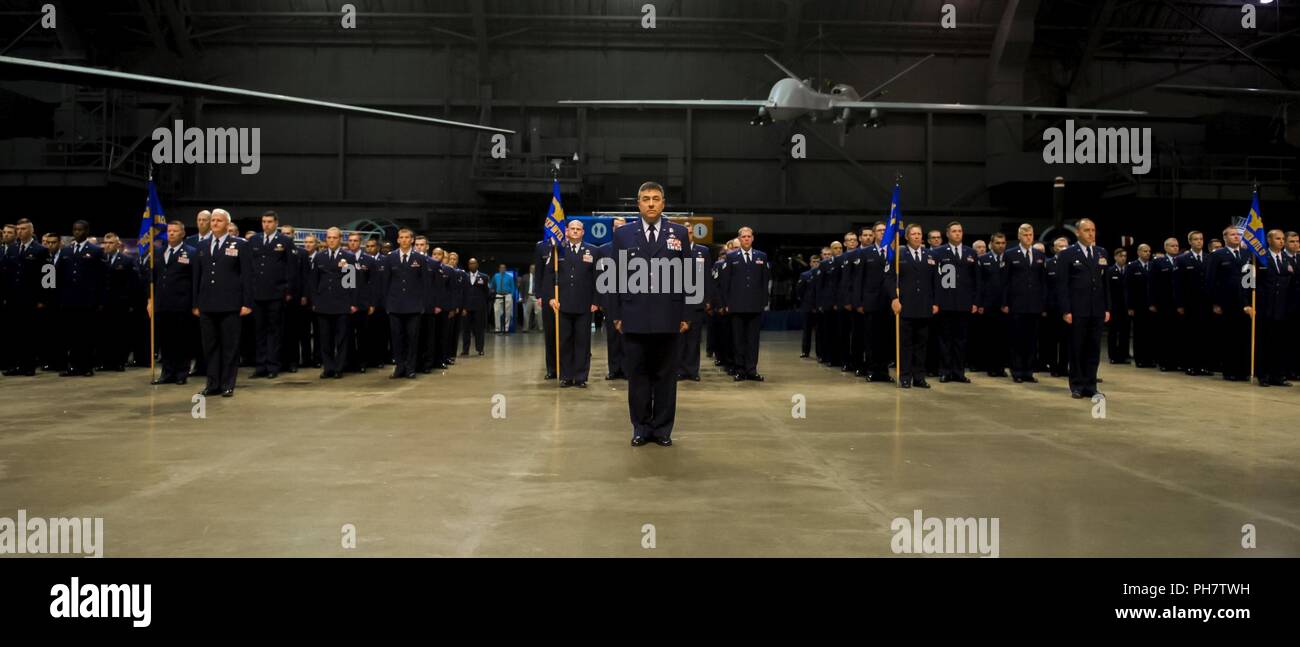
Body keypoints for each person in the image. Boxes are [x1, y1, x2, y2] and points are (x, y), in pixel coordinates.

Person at [611, 181, 690, 447]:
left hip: (669, 317)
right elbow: (616, 275)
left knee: (666, 377)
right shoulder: (623, 234)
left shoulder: (678, 233)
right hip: (634, 316)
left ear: (664, 203)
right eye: (646, 199)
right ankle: (641, 427)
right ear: (639, 204)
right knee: (638, 376)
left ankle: (662, 429)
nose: (651, 203)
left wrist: (687, 314)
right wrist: (616, 315)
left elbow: (690, 275)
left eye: (656, 198)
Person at [192, 209, 252, 397]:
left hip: (230, 304)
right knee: (210, 346)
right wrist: (195, 303)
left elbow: (247, 276)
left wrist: (247, 302)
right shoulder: (202, 246)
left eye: (219, 220)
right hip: (207, 304)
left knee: (229, 347)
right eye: (213, 220)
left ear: (227, 224)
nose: (215, 223)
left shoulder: (239, 244)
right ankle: (212, 383)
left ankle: (227, 384)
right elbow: (197, 277)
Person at [1056, 218, 1111, 398]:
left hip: (1096, 309)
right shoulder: (1067, 254)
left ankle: (1091, 385)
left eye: (1093, 230)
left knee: (1093, 348)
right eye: (1087, 230)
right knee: (1077, 348)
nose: (1090, 233)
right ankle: (1077, 385)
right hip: (1077, 310)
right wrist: (1066, 310)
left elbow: (1106, 283)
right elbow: (1062, 285)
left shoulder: (1101, 253)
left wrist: (1107, 308)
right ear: (1078, 233)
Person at [548, 220, 598, 387]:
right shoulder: (557, 251)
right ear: (567, 231)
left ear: (583, 232)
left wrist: (596, 301)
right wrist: (551, 298)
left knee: (583, 343)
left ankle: (581, 377)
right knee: (564, 342)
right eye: (572, 229)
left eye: (578, 229)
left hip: (584, 305)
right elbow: (550, 277)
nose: (575, 231)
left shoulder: (593, 251)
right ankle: (566, 376)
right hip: (562, 305)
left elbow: (598, 279)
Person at [247, 211, 295, 379]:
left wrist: (288, 290)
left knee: (274, 331)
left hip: (276, 292)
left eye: (269, 221)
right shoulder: (254, 240)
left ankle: (273, 365)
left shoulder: (285, 241)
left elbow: (291, 267)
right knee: (259, 331)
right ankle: (260, 366)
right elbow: (249, 267)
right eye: (263, 221)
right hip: (258, 293)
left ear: (276, 223)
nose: (266, 224)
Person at [720, 226, 770, 382]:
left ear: (753, 238)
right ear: (739, 239)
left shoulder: (761, 256)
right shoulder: (731, 257)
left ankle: (751, 370)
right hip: (736, 305)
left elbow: (764, 281)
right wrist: (726, 303)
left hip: (755, 306)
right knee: (738, 340)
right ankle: (740, 370)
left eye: (749, 236)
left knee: (753, 340)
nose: (746, 239)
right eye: (744, 237)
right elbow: (725, 282)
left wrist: (764, 302)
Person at [931, 221, 978, 383]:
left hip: (964, 303)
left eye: (960, 231)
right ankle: (944, 371)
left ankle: (959, 372)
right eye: (954, 231)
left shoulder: (971, 252)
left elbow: (976, 280)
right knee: (945, 339)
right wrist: (935, 301)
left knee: (961, 340)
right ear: (948, 234)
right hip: (945, 303)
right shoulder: (938, 252)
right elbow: (935, 280)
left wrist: (975, 302)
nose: (957, 233)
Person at [892, 224, 939, 388]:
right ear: (907, 237)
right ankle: (905, 376)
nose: (917, 236)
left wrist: (935, 302)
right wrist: (894, 298)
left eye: (919, 233)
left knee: (921, 345)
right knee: (905, 345)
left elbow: (936, 282)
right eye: (913, 234)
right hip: (906, 306)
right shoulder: (899, 255)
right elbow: (891, 279)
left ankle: (919, 377)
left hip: (924, 306)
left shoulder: (929, 255)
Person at [150, 221, 196, 385]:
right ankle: (167, 373)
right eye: (169, 231)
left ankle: (181, 373)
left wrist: (194, 303)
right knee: (166, 340)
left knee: (181, 339)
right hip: (163, 303)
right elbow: (154, 278)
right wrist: (151, 300)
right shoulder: (159, 251)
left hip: (182, 303)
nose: (171, 234)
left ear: (182, 234)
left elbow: (194, 280)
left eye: (175, 231)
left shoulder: (190, 252)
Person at [58, 220, 106, 377]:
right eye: (75, 230)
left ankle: (86, 366)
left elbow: (103, 278)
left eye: (80, 230)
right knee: (69, 335)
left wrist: (100, 300)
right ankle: (71, 365)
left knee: (86, 335)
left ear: (86, 231)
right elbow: (53, 272)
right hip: (68, 300)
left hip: (87, 301)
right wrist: (51, 293)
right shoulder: (65, 250)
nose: (77, 232)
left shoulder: (95, 251)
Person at [3, 219, 50, 376]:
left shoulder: (41, 250)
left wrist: (43, 299)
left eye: (23, 229)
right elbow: (6, 275)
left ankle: (28, 366)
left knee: (29, 334)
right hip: (13, 299)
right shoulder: (12, 249)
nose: (19, 231)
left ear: (31, 231)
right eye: (18, 229)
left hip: (31, 299)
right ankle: (16, 365)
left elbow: (48, 276)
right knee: (14, 333)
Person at [311, 227, 358, 379]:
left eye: (334, 238)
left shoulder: (348, 257)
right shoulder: (320, 257)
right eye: (329, 238)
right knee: (325, 339)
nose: (331, 240)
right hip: (323, 303)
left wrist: (351, 303)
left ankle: (339, 367)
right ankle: (328, 368)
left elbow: (350, 282)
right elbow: (315, 281)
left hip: (341, 303)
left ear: (340, 239)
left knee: (342, 338)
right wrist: (315, 301)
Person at [1206, 226, 1252, 381]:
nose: (1236, 237)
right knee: (1229, 338)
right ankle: (1230, 370)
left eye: (1238, 234)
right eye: (1232, 234)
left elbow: (1249, 277)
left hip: (1244, 302)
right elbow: (1211, 280)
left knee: (1243, 337)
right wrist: (1215, 303)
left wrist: (1250, 300)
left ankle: (1243, 370)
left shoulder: (1247, 254)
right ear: (1225, 238)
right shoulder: (1217, 255)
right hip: (1226, 302)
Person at [380, 229, 426, 379]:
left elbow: (424, 284)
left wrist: (421, 304)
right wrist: (387, 304)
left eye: (407, 237)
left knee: (412, 338)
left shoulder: (419, 258)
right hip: (395, 305)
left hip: (413, 306)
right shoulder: (390, 258)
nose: (404, 240)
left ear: (412, 240)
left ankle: (410, 368)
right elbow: (385, 283)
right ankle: (399, 367)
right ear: (398, 240)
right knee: (396, 338)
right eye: (402, 238)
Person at [1003, 224, 1046, 383]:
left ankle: (1029, 371)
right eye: (1026, 234)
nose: (1029, 237)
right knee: (1017, 339)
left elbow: (1042, 282)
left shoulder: (1039, 255)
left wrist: (1043, 303)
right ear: (1019, 236)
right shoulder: (1010, 254)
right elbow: (1005, 281)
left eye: (1031, 234)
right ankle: (1017, 371)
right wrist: (1005, 302)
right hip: (1016, 304)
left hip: (1034, 304)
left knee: (1031, 339)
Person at [1253, 230, 1292, 387]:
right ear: (1269, 240)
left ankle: (1278, 375)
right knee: (1264, 343)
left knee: (1280, 344)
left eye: (1283, 239)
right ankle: (1263, 375)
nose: (1281, 241)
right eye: (1278, 238)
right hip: (1265, 307)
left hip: (1282, 308)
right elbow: (1248, 282)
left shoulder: (1287, 259)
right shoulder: (1259, 258)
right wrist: (1248, 302)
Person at [99, 233, 138, 372]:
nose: (107, 245)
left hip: (120, 303)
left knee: (120, 334)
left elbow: (132, 283)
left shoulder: (126, 260)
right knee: (105, 334)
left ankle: (119, 361)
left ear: (118, 245)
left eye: (110, 243)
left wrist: (130, 303)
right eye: (106, 242)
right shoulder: (101, 259)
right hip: (103, 303)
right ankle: (105, 362)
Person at [677, 227, 711, 381]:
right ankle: (679, 369)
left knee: (694, 338)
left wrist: (707, 300)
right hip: (679, 301)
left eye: (689, 232)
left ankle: (692, 370)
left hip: (697, 300)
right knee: (679, 339)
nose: (687, 235)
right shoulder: (675, 251)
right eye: (684, 233)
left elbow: (707, 277)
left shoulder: (702, 251)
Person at [1175, 231, 1211, 376]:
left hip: (1206, 303)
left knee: (1205, 335)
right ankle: (1190, 365)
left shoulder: (1209, 258)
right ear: (1190, 242)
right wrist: (1180, 304)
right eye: (1196, 239)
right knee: (1190, 335)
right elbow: (1177, 284)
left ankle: (1203, 365)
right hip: (1190, 303)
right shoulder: (1182, 259)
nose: (1199, 242)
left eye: (1201, 239)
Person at [976, 233, 1009, 377]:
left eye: (1003, 243)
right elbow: (979, 283)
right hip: (988, 305)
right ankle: (990, 367)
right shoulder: (983, 259)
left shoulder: (1009, 259)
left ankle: (1001, 368)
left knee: (1003, 338)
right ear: (991, 244)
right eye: (997, 243)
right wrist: (980, 303)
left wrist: (1007, 302)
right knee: (989, 337)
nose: (1000, 245)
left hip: (1004, 305)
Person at [344, 232, 375, 373]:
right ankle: (349, 362)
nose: (352, 243)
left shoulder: (368, 260)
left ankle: (363, 362)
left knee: (363, 335)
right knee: (347, 335)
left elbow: (372, 284)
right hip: (346, 303)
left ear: (360, 243)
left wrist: (371, 303)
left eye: (355, 241)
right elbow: (345, 283)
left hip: (362, 303)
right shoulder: (343, 258)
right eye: (350, 240)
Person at [1039, 237, 1070, 378]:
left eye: (1065, 246)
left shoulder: (1073, 264)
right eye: (1060, 246)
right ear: (1054, 248)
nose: (1063, 248)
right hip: (1052, 308)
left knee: (1066, 340)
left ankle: (1064, 367)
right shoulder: (1048, 264)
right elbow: (1044, 287)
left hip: (1068, 308)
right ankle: (1053, 366)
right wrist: (1044, 307)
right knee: (1052, 339)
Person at [1150, 237, 1181, 372]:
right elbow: (1152, 283)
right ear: (1166, 247)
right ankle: (1164, 362)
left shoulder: (1181, 260)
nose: (1175, 248)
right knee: (1164, 333)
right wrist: (1152, 302)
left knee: (1177, 333)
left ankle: (1177, 361)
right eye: (1172, 246)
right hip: (1164, 302)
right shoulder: (1158, 262)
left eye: (1177, 246)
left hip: (1178, 302)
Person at [1125, 243, 1155, 368]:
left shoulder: (1153, 265)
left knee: (1150, 333)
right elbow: (1128, 288)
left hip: (1151, 305)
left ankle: (1149, 358)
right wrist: (1130, 306)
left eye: (1149, 251)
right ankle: (1140, 359)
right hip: (1138, 305)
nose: (1147, 253)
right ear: (1138, 252)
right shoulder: (1132, 266)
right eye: (1144, 251)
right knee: (1139, 333)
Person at [1106, 248, 1130, 365]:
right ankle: (1113, 356)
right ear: (1115, 257)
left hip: (1126, 307)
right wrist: (1108, 307)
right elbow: (1108, 290)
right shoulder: (1110, 271)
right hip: (1114, 307)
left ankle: (1123, 355)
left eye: (1125, 256)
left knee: (1125, 332)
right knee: (1113, 332)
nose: (1123, 258)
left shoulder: (1129, 270)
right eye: (1121, 256)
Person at [461, 258, 490, 356]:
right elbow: (462, 292)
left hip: (479, 308)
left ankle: (480, 349)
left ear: (477, 264)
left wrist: (483, 304)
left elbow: (487, 292)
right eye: (470, 263)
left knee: (479, 329)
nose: (472, 265)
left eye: (474, 263)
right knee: (466, 330)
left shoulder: (484, 277)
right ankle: (465, 350)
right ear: (468, 265)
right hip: (467, 308)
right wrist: (463, 307)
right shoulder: (464, 276)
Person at [797, 254, 820, 359]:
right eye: (814, 261)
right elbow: (800, 291)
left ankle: (820, 353)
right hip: (807, 306)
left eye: (817, 261)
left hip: (819, 306)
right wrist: (805, 302)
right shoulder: (805, 275)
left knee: (820, 332)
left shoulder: (822, 274)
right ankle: (805, 351)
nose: (816, 263)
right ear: (810, 263)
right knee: (807, 331)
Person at [492, 263, 515, 334]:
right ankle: (497, 329)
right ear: (499, 269)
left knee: (507, 313)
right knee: (497, 311)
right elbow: (492, 284)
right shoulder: (496, 276)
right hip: (498, 295)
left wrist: (512, 296)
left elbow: (513, 287)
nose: (502, 269)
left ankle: (506, 329)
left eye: (504, 268)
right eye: (501, 268)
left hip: (507, 295)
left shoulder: (509, 277)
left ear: (505, 269)